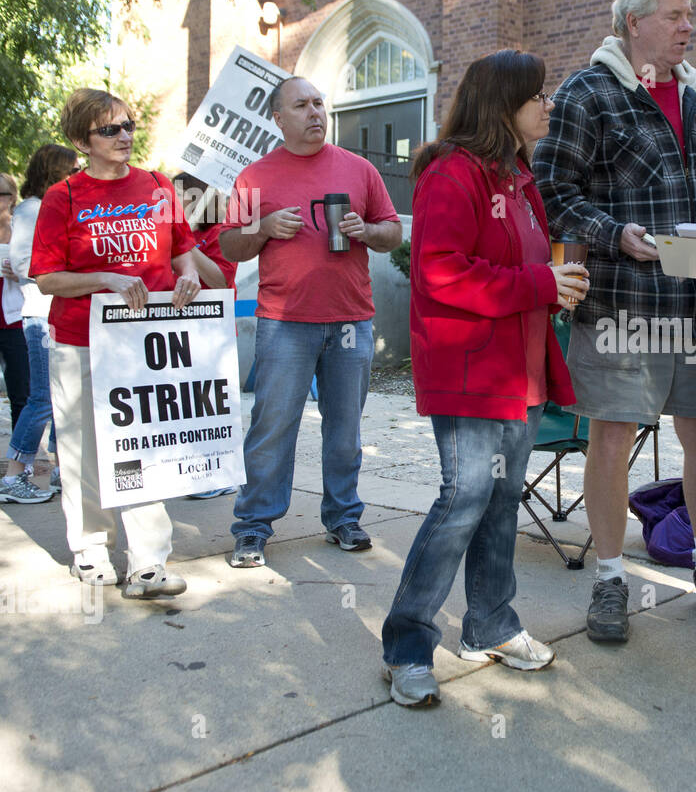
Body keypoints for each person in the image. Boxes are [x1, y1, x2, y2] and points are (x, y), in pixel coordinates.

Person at [534, 0, 696, 643]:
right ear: (633, 21)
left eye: (691, 13)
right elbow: (550, 190)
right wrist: (609, 232)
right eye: (676, 14)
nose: (690, 26)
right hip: (623, 303)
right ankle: (611, 578)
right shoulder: (587, 92)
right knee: (613, 435)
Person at [380, 50, 589, 707]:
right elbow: (440, 270)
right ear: (504, 105)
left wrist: (552, 289)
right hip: (472, 372)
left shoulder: (519, 178)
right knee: (462, 501)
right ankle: (408, 645)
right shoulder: (452, 172)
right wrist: (541, 282)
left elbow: (521, 272)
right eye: (537, 96)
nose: (547, 106)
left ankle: (490, 624)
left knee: (499, 503)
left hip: (517, 372)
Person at [218, 76, 401, 567]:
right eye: (301, 105)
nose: (315, 112)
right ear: (278, 118)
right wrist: (264, 228)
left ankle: (343, 517)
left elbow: (393, 232)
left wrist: (368, 230)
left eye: (319, 103)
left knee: (344, 429)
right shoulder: (256, 177)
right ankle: (253, 528)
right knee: (273, 426)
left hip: (351, 320)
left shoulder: (359, 170)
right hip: (285, 321)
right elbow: (229, 244)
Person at [29, 88, 202, 597]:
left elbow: (182, 251)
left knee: (146, 445)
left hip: (144, 342)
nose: (125, 136)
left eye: (128, 126)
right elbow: (47, 279)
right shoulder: (64, 197)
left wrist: (187, 276)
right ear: (84, 139)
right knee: (83, 448)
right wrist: (104, 278)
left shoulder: (155, 186)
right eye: (111, 130)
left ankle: (149, 561)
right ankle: (90, 550)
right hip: (80, 338)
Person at [1, 146, 79, 504]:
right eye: (72, 168)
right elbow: (21, 263)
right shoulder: (32, 209)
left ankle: (62, 469)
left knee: (66, 398)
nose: (78, 173)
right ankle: (14, 475)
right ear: (54, 170)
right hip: (40, 315)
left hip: (59, 313)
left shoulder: (56, 206)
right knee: (42, 399)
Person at [174, 171, 238, 500]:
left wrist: (181, 240)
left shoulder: (217, 233)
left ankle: (219, 473)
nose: (173, 206)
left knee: (209, 402)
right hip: (177, 327)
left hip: (211, 329)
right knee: (181, 403)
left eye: (180, 199)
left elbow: (220, 280)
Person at [0, 172, 31, 438]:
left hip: (15, 320)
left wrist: (19, 272)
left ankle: (18, 460)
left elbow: (39, 269)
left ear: (10, 198)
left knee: (20, 393)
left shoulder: (22, 228)